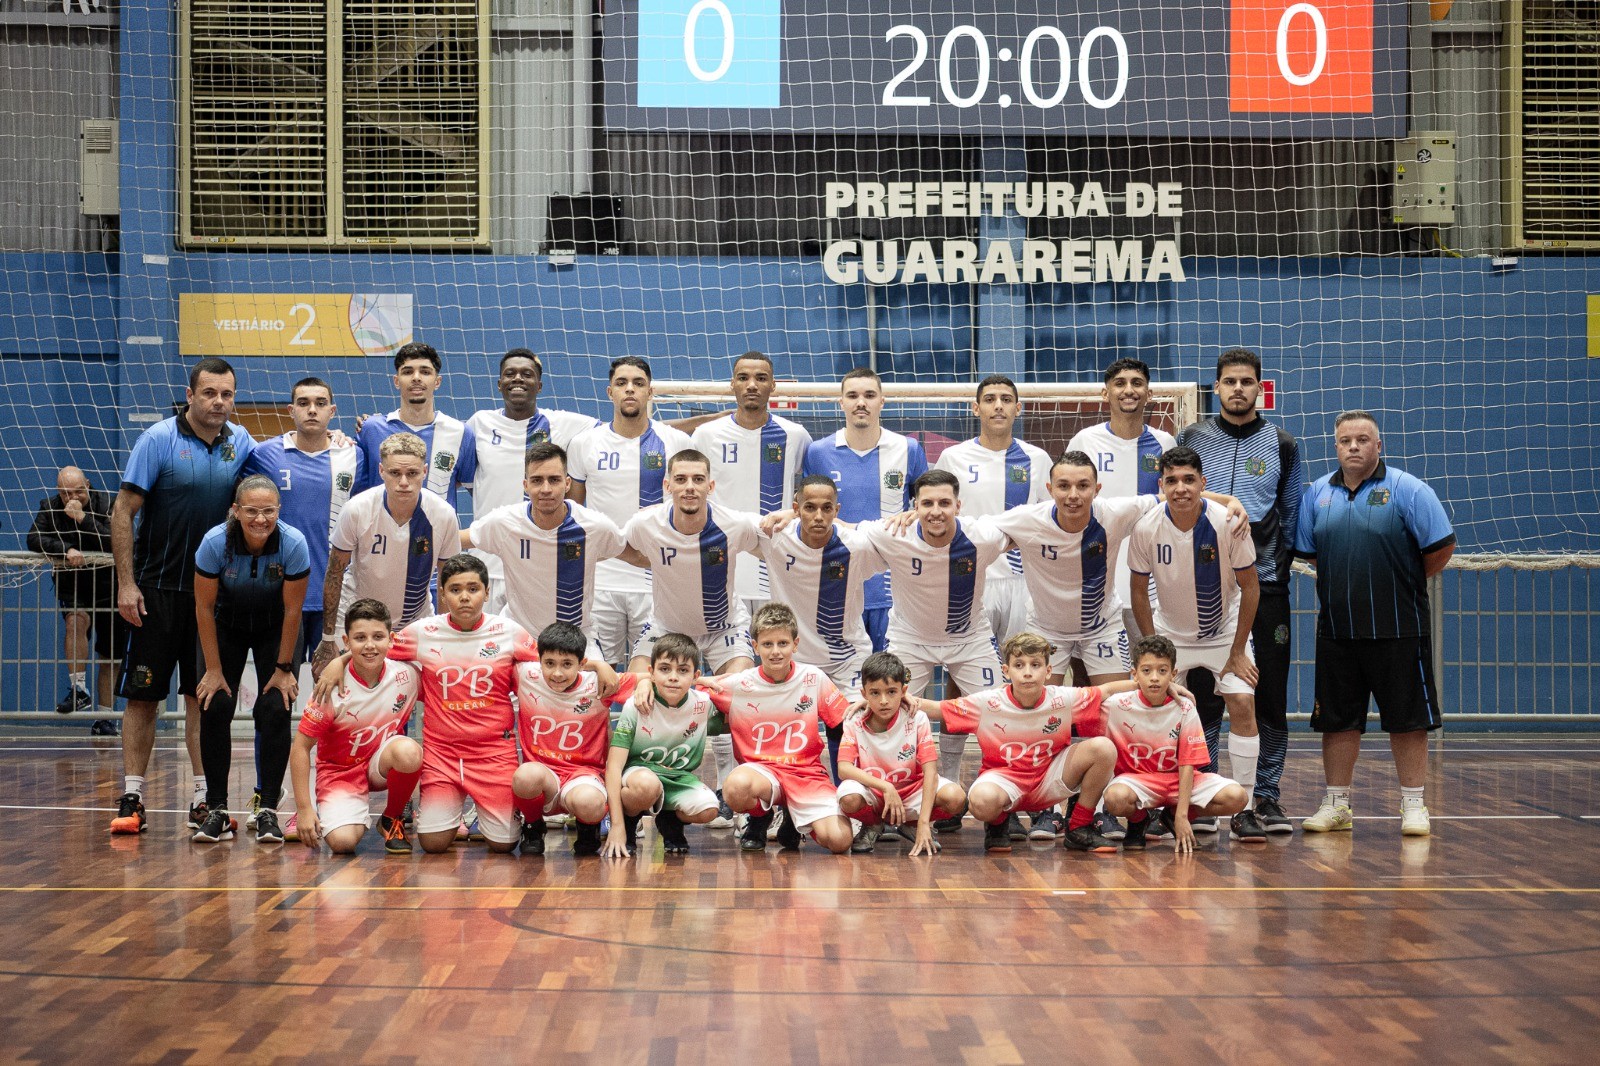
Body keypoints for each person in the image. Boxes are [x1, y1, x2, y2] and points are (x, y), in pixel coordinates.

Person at [109, 357, 256, 837]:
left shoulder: (243, 443)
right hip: (156, 593)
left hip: (212, 598)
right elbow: (123, 510)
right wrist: (126, 583)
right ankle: (132, 795)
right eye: (209, 392)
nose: (218, 402)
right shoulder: (157, 439)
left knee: (203, 699)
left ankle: (203, 799)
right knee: (143, 697)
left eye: (227, 394)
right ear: (190, 395)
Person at [1294, 411, 1454, 837]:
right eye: (1345, 440)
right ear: (1335, 446)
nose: (1353, 447)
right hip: (1337, 632)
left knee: (1407, 720)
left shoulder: (1408, 489)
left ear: (1378, 446)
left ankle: (1414, 804)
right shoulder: (1316, 494)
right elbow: (1311, 553)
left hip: (1400, 630)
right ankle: (1336, 804)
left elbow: (1440, 548)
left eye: (1363, 439)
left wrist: (1398, 581)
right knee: (1338, 721)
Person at [315, 554, 539, 854]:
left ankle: (504, 818)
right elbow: (373, 647)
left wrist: (598, 668)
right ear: (443, 595)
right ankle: (442, 813)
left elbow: (553, 667)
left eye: (473, 589)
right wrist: (339, 661)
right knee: (433, 845)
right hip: (442, 755)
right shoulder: (422, 633)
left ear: (487, 592)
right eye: (455, 589)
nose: (464, 597)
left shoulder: (510, 633)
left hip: (493, 755)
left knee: (504, 845)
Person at [1176, 348, 1304, 835]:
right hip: (1203, 586)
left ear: (1259, 388)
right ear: (1216, 387)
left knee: (1265, 693)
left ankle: (1265, 797)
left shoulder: (1282, 443)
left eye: (1246, 382)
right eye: (1228, 381)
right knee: (1204, 696)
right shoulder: (1194, 437)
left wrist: (1275, 567)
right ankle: (1208, 791)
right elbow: (1176, 491)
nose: (1237, 389)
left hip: (1263, 585)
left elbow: (1290, 511)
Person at [855, 469, 1009, 832]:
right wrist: (791, 515)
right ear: (913, 506)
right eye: (927, 504)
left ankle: (1002, 810)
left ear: (959, 505)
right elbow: (838, 526)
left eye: (944, 503)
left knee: (1001, 716)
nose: (936, 511)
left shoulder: (983, 536)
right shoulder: (893, 532)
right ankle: (889, 809)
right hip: (910, 639)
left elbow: (1029, 531)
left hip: (969, 638)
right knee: (887, 713)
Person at [240, 376, 363, 829]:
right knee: (275, 703)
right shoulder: (265, 455)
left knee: (344, 704)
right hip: (282, 600)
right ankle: (266, 801)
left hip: (340, 600)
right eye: (302, 403)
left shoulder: (356, 454)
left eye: (320, 403)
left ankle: (343, 799)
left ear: (333, 411)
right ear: (291, 410)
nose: (311, 410)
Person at [1126, 446, 1265, 843]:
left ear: (1204, 483)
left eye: (1189, 479)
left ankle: (1246, 808)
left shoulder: (1227, 523)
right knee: (1156, 713)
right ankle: (1156, 809)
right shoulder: (1147, 527)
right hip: (1171, 636)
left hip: (1224, 633)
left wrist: (1238, 650)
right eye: (1172, 480)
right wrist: (1154, 651)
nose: (1181, 488)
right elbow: (1138, 590)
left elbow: (1251, 587)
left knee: (1242, 703)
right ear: (1161, 485)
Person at [623, 449, 762, 821]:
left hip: (724, 629)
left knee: (740, 698)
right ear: (667, 485)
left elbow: (779, 541)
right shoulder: (644, 524)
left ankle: (736, 800)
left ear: (710, 485)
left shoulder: (736, 524)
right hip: (667, 627)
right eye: (681, 480)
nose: (689, 487)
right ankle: (634, 798)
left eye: (698, 480)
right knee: (631, 692)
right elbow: (624, 549)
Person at [907, 632, 1127, 854]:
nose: (1028, 673)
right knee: (981, 800)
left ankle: (1079, 826)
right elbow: (937, 709)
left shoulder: (1063, 699)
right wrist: (901, 698)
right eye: (1019, 665)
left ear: (1048, 671)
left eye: (1036, 665)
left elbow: (1106, 690)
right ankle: (997, 826)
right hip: (1005, 780)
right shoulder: (987, 703)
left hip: (1050, 777)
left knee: (1103, 748)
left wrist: (1147, 683)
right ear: (1006, 671)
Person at [190, 476, 310, 843]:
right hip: (225, 623)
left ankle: (268, 808)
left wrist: (284, 669)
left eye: (269, 511)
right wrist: (212, 670)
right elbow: (204, 607)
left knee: (275, 706)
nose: (261, 519)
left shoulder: (293, 543)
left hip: (276, 624)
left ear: (279, 510)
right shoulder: (214, 543)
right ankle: (217, 810)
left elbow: (293, 610)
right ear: (236, 511)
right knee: (215, 704)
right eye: (252, 511)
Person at [567, 356, 694, 666]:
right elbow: (575, 514)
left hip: (658, 581)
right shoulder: (584, 444)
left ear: (650, 393)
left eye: (638, 383)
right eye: (622, 383)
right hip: (601, 582)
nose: (630, 390)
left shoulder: (675, 441)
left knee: (657, 676)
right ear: (610, 392)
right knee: (597, 676)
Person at [461, 442, 640, 659]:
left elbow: (636, 556)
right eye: (537, 480)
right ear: (525, 485)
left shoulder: (594, 527)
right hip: (518, 636)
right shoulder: (504, 523)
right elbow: (455, 539)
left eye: (554, 480)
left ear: (567, 483)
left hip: (575, 637)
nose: (546, 489)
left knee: (601, 685)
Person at [701, 603, 854, 855]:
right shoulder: (737, 684)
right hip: (762, 774)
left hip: (807, 774)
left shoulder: (813, 678)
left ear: (795, 644)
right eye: (767, 644)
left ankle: (793, 821)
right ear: (755, 646)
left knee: (840, 841)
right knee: (734, 787)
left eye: (783, 643)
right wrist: (644, 686)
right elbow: (679, 690)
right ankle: (760, 819)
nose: (775, 652)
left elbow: (844, 722)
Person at [1080, 634, 1249, 855]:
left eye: (1162, 671)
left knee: (1237, 797)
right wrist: (1131, 686)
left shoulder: (1184, 707)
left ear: (1174, 674)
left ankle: (1170, 816)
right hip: (1137, 781)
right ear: (1135, 674)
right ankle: (1139, 821)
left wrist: (1181, 815)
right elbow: (1082, 699)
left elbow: (1188, 763)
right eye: (1146, 671)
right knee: (1114, 799)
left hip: (1178, 780)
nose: (1154, 678)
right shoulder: (1116, 706)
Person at [312, 432, 462, 678]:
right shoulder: (357, 509)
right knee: (344, 693)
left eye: (412, 473)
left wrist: (449, 633)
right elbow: (334, 573)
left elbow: (450, 582)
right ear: (381, 471)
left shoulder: (443, 515)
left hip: (416, 619)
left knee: (418, 694)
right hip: (357, 615)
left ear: (425, 471)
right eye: (395, 473)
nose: (404, 481)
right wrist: (328, 638)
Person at [800, 366, 928, 652]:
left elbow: (927, 507)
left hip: (894, 588)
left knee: (893, 680)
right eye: (853, 395)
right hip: (838, 584)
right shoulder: (818, 452)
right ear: (841, 402)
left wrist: (916, 512)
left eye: (869, 395)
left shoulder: (908, 449)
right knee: (843, 679)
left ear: (882, 401)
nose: (861, 402)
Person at [466, 348, 599, 612]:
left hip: (541, 569)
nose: (518, 379)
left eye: (526, 374)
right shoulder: (478, 423)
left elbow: (624, 434)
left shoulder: (566, 423)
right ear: (499, 384)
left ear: (538, 386)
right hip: (488, 565)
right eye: (510, 374)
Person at [289, 598, 423, 855]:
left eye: (378, 637)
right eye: (360, 638)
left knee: (408, 751)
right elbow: (301, 748)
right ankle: (346, 815)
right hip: (339, 773)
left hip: (379, 764)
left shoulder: (406, 676)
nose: (370, 645)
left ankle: (392, 818)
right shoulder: (330, 688)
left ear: (391, 639)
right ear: (346, 642)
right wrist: (305, 809)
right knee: (342, 843)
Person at [690, 350, 812, 616]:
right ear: (732, 384)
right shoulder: (706, 435)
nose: (752, 385)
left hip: (775, 566)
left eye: (761, 378)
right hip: (720, 563)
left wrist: (793, 512)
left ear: (773, 385)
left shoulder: (795, 436)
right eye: (743, 378)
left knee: (777, 650)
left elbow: (812, 494)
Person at [933, 374, 1051, 645]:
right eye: (989, 399)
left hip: (1024, 582)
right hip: (972, 576)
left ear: (1017, 409)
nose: (998, 406)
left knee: (1023, 665)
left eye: (1006, 400)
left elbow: (1049, 522)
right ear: (976, 408)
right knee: (965, 665)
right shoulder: (953, 458)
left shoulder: (1038, 459)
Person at [1066, 358, 1177, 639]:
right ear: (1106, 394)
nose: (1129, 390)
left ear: (1149, 394)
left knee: (1153, 670)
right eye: (1120, 384)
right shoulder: (1085, 441)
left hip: (1149, 582)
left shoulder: (1165, 443)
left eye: (1137, 383)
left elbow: (1176, 504)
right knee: (1089, 675)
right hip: (1096, 578)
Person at [512, 622, 639, 858]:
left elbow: (650, 679)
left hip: (583, 774)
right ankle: (532, 826)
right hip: (544, 774)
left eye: (567, 664)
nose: (557, 673)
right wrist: (598, 662)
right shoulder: (525, 675)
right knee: (524, 776)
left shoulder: (599, 684)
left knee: (590, 803)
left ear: (581, 664)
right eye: (549, 664)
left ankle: (587, 827)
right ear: (539, 661)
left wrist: (643, 687)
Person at [599, 632, 723, 858]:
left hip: (677, 776)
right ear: (651, 673)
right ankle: (628, 822)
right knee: (646, 786)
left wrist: (706, 682)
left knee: (709, 810)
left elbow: (745, 689)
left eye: (683, 671)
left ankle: (670, 821)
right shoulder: (636, 704)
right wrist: (615, 826)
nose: (673, 677)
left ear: (696, 675)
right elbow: (614, 767)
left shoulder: (704, 704)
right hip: (639, 775)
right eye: (665, 669)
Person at [835, 651, 966, 856]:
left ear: (904, 691)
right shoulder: (854, 720)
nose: (884, 700)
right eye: (875, 693)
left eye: (891, 692)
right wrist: (885, 786)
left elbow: (930, 772)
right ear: (864, 694)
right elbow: (843, 769)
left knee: (956, 797)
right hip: (875, 792)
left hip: (912, 790)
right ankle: (873, 825)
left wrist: (924, 823)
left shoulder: (917, 718)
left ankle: (912, 826)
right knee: (849, 798)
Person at [28, 466, 124, 723]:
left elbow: (116, 539)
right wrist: (66, 549)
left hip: (109, 587)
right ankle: (79, 689)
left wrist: (83, 518)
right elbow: (33, 538)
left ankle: (105, 718)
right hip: (73, 585)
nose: (72, 497)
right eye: (65, 493)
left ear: (88, 485)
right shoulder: (49, 506)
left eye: (78, 491)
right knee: (75, 622)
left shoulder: (109, 502)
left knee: (110, 654)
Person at [354, 342, 477, 507]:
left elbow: (469, 486)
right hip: (380, 531)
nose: (416, 377)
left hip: (437, 531)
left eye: (425, 372)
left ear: (437, 381)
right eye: (408, 372)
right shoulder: (371, 429)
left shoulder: (461, 433)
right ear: (396, 381)